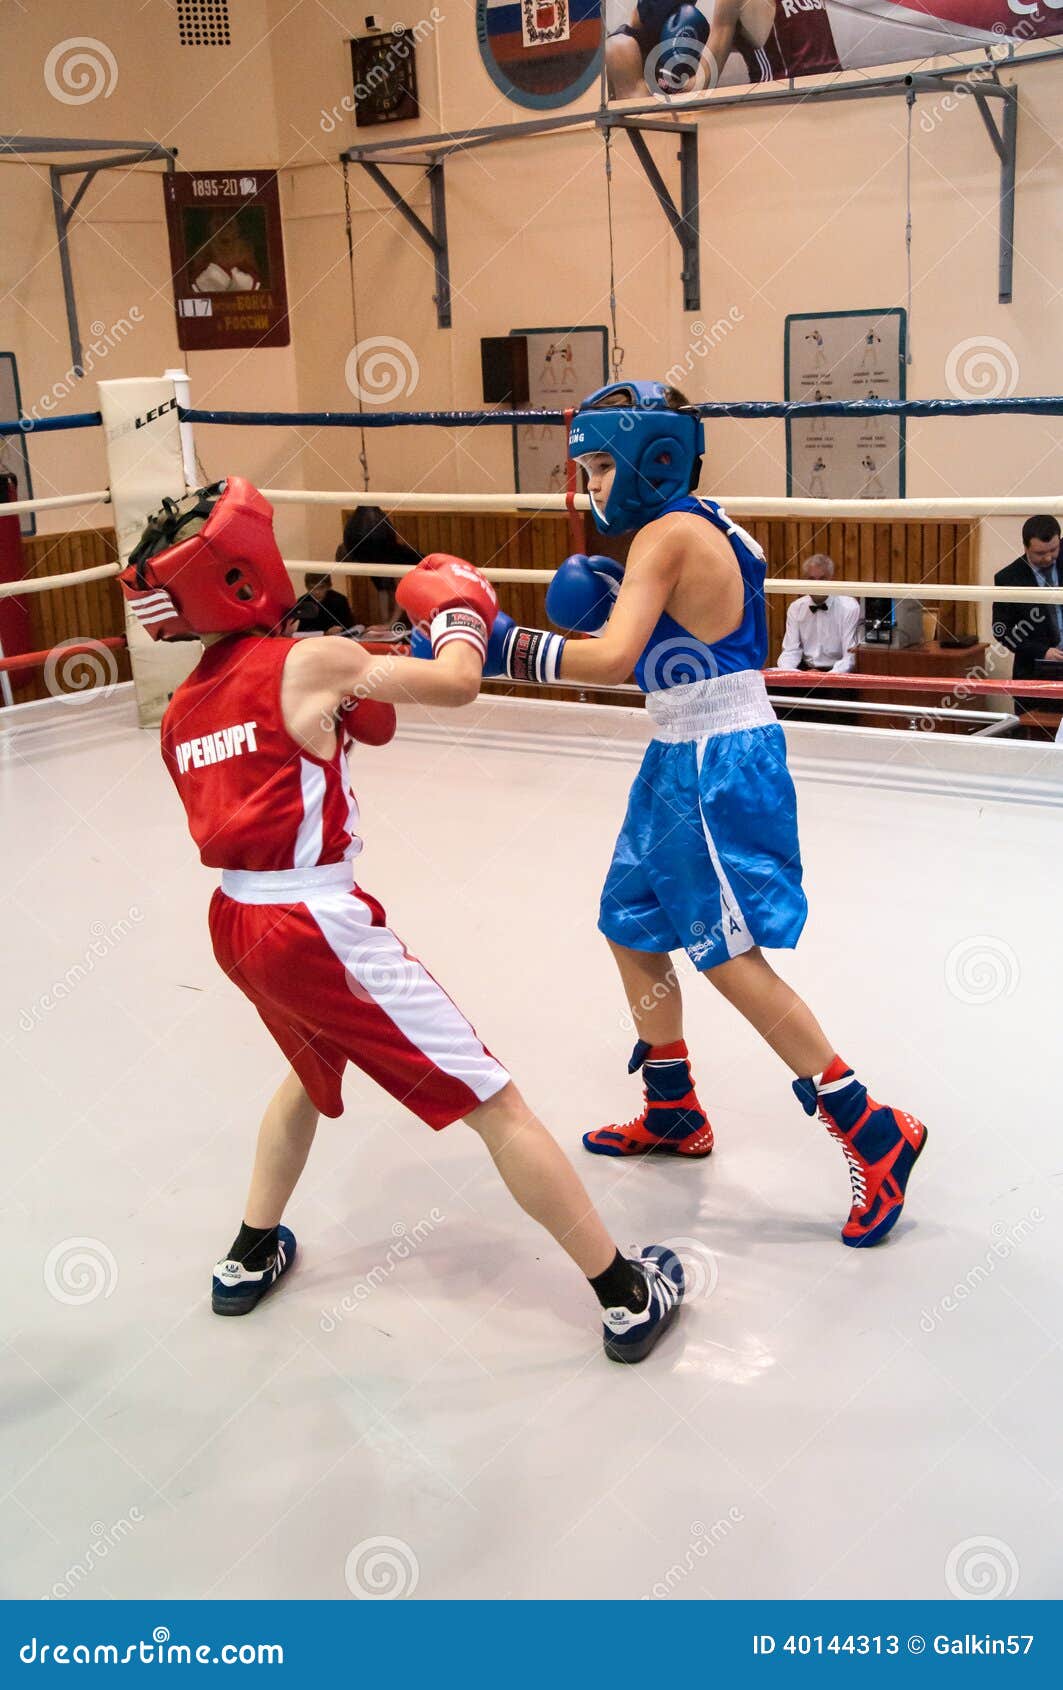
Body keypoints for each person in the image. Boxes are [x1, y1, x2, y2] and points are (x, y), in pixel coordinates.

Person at [117, 477, 683, 1363]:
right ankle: (622, 1293)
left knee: (309, 1070)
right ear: (243, 569)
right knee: (494, 1100)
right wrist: (460, 610)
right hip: (318, 925)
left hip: (236, 924)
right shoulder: (305, 663)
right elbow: (457, 686)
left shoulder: (182, 709)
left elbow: (302, 737)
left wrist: (341, 661)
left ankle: (248, 1253)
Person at [416, 384, 927, 1248]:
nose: (592, 483)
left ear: (655, 456)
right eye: (584, 468)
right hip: (678, 751)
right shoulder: (710, 521)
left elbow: (613, 660)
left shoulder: (665, 534)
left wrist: (492, 639)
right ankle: (673, 1106)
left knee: (726, 957)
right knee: (630, 921)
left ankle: (874, 1132)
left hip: (711, 762)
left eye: (603, 464)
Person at [774, 552, 861, 725]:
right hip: (806, 672)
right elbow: (790, 651)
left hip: (837, 676)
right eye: (811, 579)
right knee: (774, 689)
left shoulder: (849, 606)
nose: (817, 584)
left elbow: (850, 657)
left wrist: (826, 678)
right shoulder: (796, 608)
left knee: (838, 704)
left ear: (831, 579)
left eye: (822, 579)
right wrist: (793, 675)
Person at [993, 515, 1063, 719]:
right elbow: (1001, 630)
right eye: (1040, 553)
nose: (1049, 558)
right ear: (1025, 548)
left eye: (1054, 550)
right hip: (1035, 674)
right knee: (1039, 740)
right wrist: (1042, 651)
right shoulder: (1008, 578)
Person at [336, 504, 422, 629]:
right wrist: (383, 622)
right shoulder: (371, 562)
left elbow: (402, 593)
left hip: (425, 577)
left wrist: (389, 624)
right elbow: (383, 592)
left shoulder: (389, 556)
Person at [291, 571, 356, 636]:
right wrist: (325, 633)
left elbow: (349, 623)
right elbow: (302, 630)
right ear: (307, 587)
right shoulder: (302, 601)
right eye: (312, 588)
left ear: (328, 586)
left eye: (321, 587)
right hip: (312, 640)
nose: (317, 592)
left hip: (336, 638)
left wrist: (340, 628)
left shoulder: (340, 599)